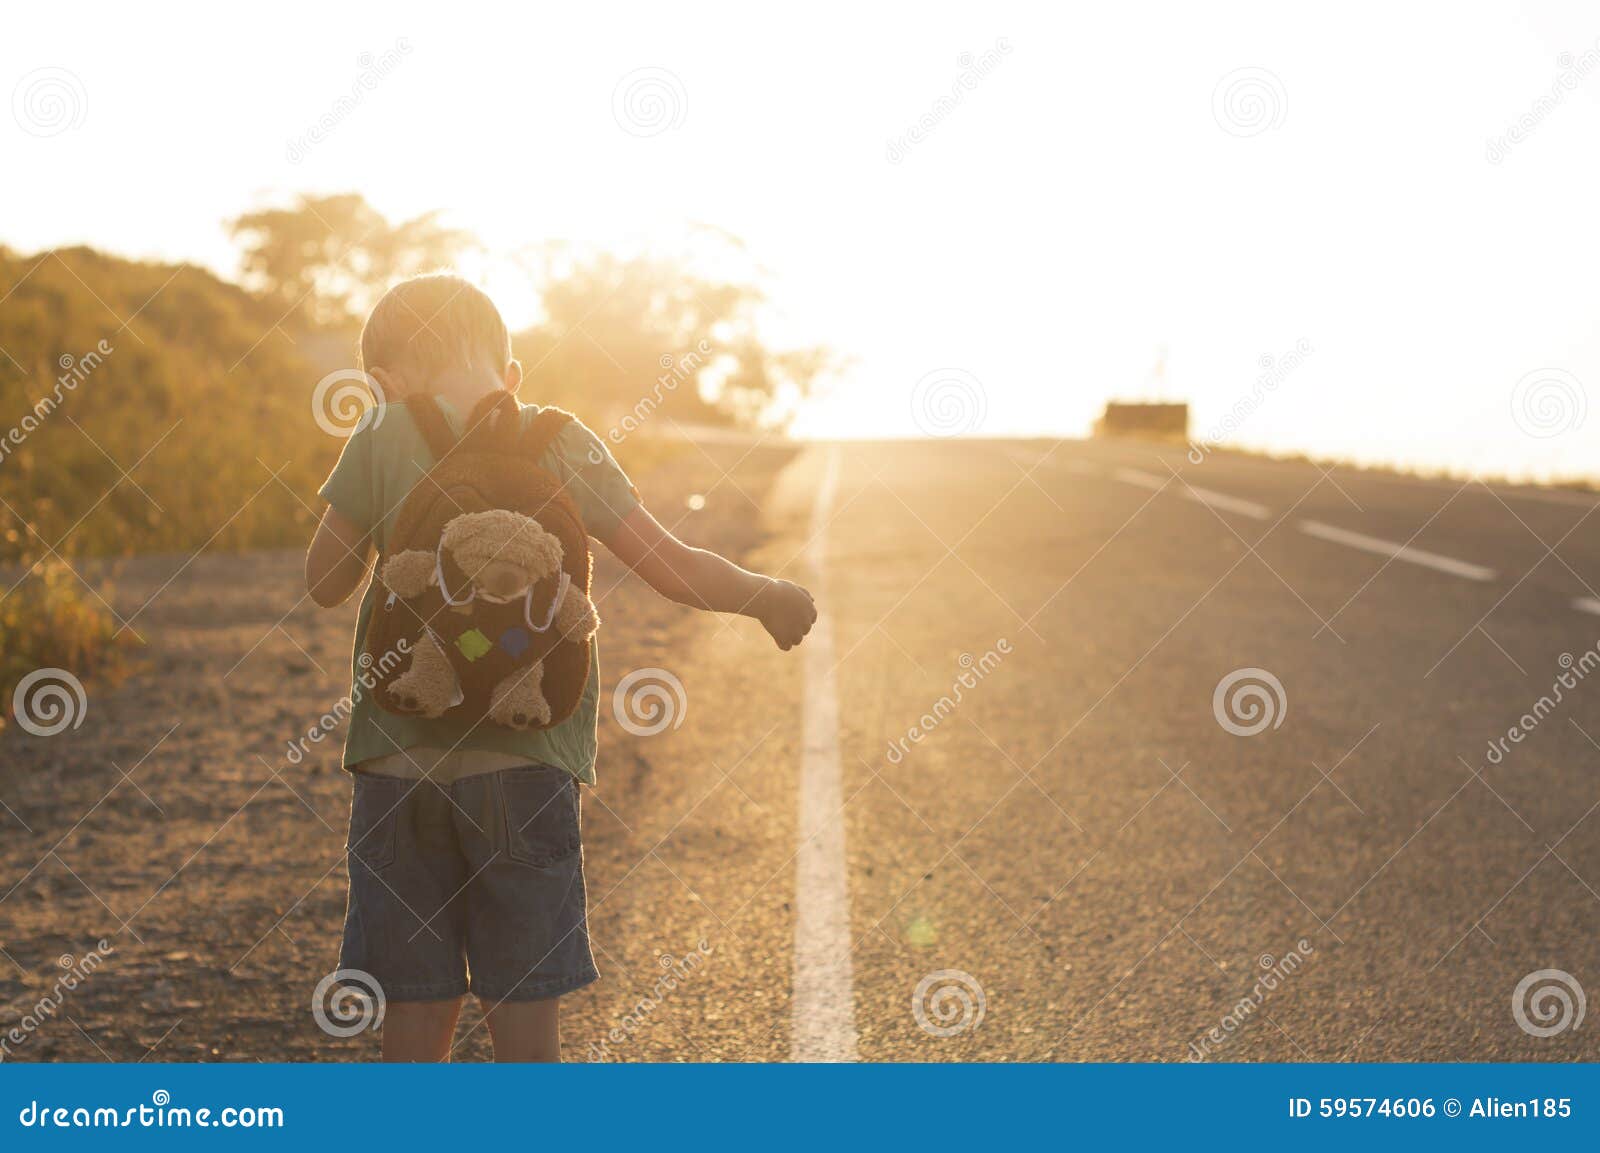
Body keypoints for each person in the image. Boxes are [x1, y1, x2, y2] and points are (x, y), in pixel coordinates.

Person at [305, 273, 817, 1061]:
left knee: (416, 1001)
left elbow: (326, 579)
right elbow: (669, 564)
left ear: (383, 379)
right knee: (524, 1003)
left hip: (398, 770)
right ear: (511, 377)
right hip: (526, 758)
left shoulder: (379, 432)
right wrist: (764, 594)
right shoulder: (560, 439)